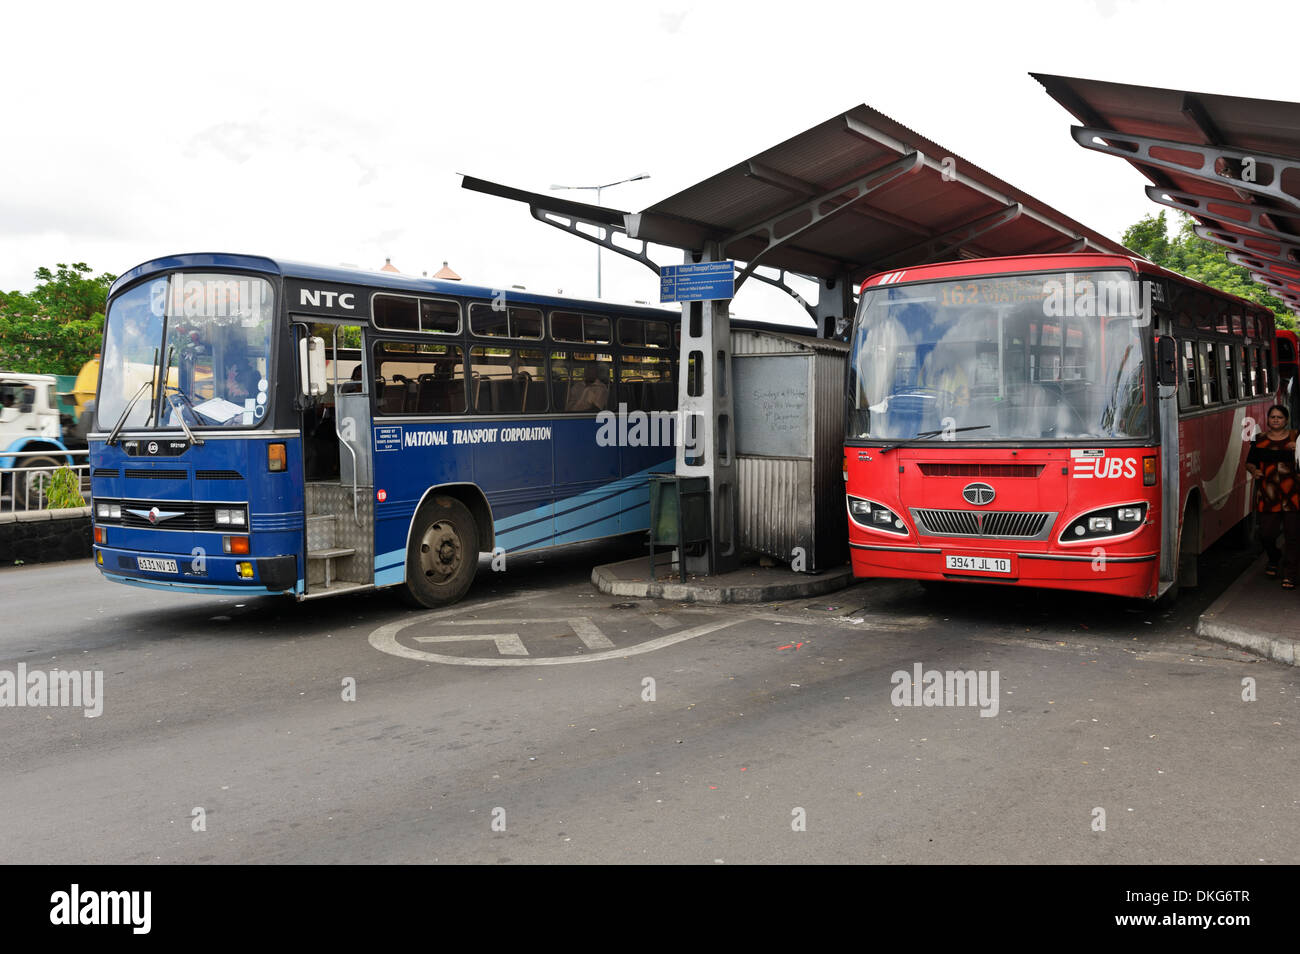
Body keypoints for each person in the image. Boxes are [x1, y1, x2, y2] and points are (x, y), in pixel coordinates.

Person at [1246, 404, 1300, 588]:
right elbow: (1250, 462)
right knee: (1266, 533)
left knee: (1293, 535)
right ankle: (1274, 557)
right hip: (1268, 493)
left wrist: (1297, 449)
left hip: (1293, 493)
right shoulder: (1259, 440)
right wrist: (1254, 471)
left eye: (1280, 417)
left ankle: (1290, 574)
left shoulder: (1296, 437)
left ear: (1286, 420)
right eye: (1272, 417)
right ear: (1268, 420)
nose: (1276, 420)